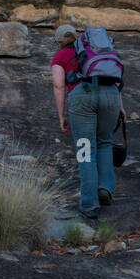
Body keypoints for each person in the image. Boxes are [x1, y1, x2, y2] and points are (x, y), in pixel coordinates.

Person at [50, 23, 122, 218]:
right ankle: (105, 189)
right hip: (111, 95)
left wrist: (61, 115)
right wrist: (121, 107)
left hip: (83, 97)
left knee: (85, 148)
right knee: (105, 142)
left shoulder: (61, 55)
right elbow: (115, 79)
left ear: (59, 42)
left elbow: (58, 85)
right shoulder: (94, 48)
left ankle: (89, 204)